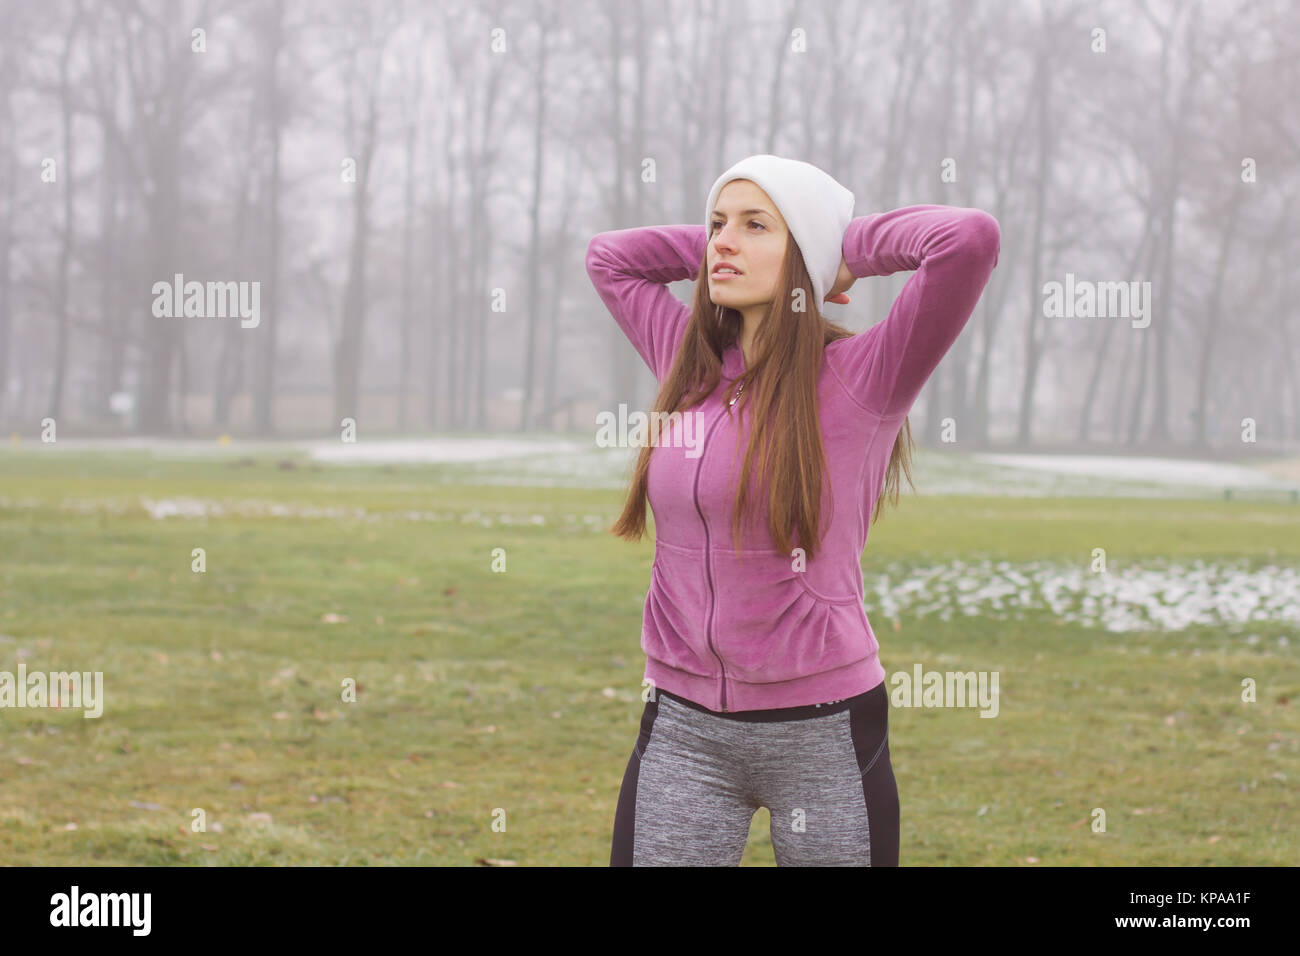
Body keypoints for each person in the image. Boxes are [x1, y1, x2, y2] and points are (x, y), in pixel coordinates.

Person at [585, 154, 1001, 866]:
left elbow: (968, 239)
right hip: (683, 728)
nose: (722, 242)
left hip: (823, 733)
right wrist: (739, 239)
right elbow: (610, 258)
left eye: (755, 225)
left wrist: (834, 246)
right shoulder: (687, 368)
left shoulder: (865, 379)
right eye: (718, 224)